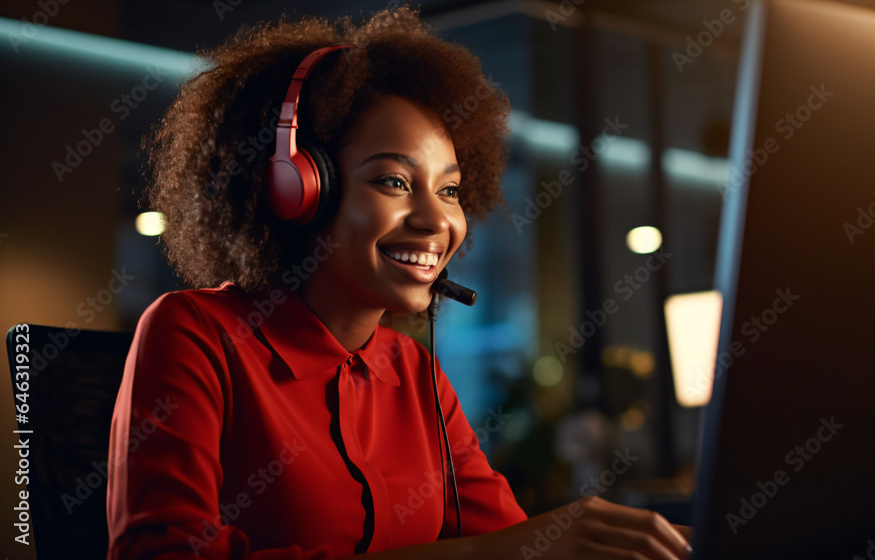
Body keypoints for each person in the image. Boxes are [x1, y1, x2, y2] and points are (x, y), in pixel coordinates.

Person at [106, 6, 693, 559]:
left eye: (449, 190)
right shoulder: (195, 333)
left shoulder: (415, 374)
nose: (438, 221)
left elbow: (514, 543)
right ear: (298, 189)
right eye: (392, 182)